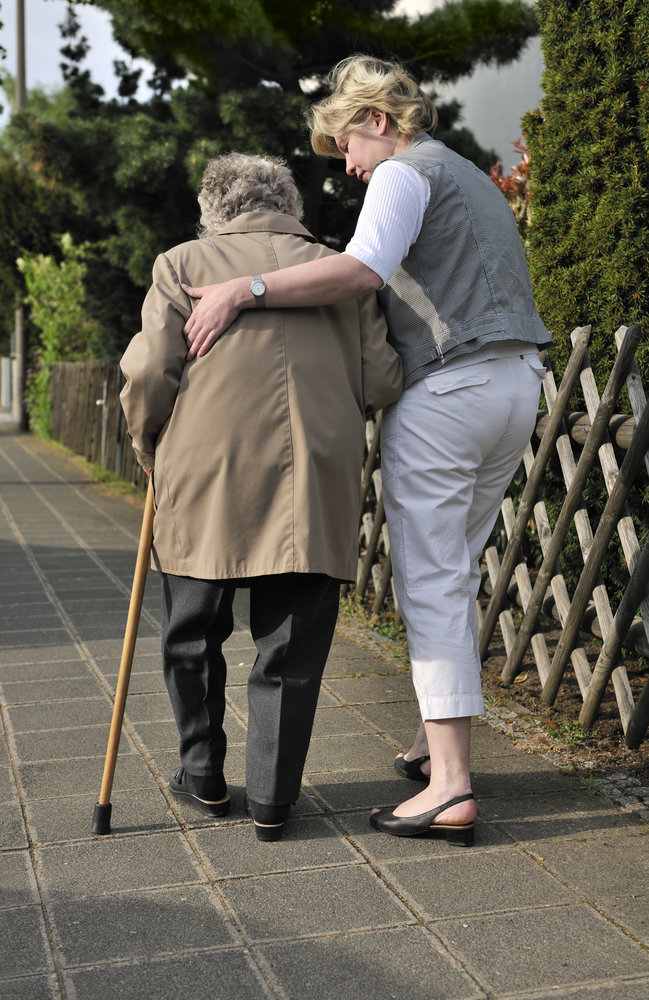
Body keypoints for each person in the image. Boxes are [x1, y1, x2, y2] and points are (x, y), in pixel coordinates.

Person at [179, 56, 552, 846]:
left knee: (430, 580)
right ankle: (432, 741)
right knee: (458, 562)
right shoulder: (471, 177)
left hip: (448, 389)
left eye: (345, 142)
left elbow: (357, 272)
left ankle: (450, 786)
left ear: (377, 121)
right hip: (519, 383)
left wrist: (242, 290)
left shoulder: (402, 172)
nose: (345, 165)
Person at [119, 152, 402, 841]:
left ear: (213, 208)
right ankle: (273, 801)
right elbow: (381, 381)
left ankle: (204, 776)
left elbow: (152, 370)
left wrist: (145, 445)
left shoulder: (181, 263)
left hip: (204, 470)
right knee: (290, 647)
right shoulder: (342, 271)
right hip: (313, 469)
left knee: (191, 631)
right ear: (291, 206)